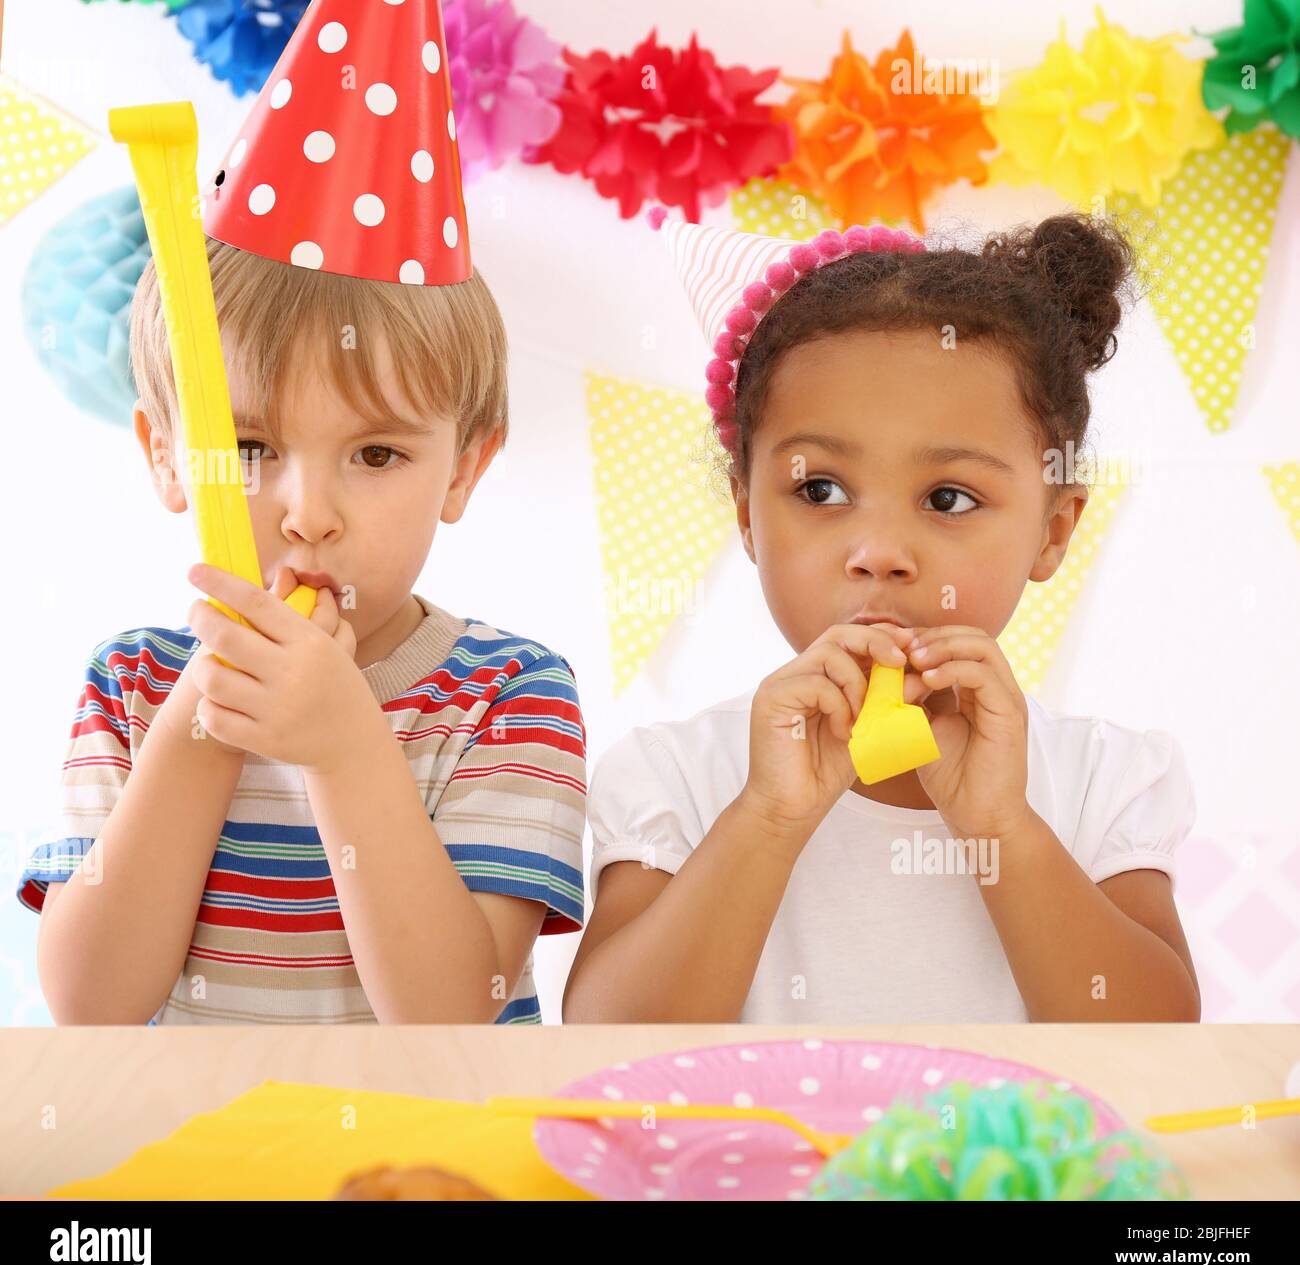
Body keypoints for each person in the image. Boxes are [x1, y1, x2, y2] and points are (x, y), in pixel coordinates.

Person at [19, 0, 586, 1025]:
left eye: (375, 453)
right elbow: (90, 1005)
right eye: (247, 449)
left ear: (465, 470)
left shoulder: (509, 695)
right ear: (164, 457)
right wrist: (204, 717)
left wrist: (343, 743)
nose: (307, 513)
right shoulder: (136, 686)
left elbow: (453, 1014)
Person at [566, 211, 1198, 1025]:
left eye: (948, 498)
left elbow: (1159, 1047)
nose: (880, 552)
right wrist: (766, 817)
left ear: (1052, 530)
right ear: (747, 516)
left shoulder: (1105, 782)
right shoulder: (675, 778)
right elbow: (606, 1048)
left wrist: (1000, 823)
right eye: (819, 489)